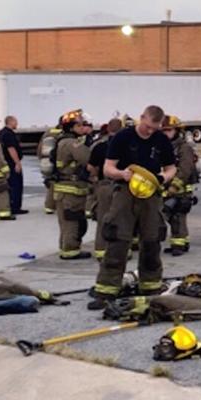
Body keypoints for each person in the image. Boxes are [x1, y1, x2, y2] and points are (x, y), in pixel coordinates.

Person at [90, 106, 176, 307]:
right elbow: (108, 168)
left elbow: (171, 168)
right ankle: (107, 290)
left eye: (154, 128)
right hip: (125, 192)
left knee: (152, 239)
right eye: (147, 126)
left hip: (151, 194)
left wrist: (163, 177)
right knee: (118, 239)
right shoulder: (123, 137)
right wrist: (122, 174)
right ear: (141, 118)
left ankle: (150, 286)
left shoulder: (161, 140)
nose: (150, 131)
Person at [53, 110, 93, 260]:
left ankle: (65, 248)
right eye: (79, 125)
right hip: (71, 189)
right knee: (73, 220)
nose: (82, 128)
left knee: (65, 220)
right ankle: (71, 251)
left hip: (64, 187)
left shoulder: (61, 140)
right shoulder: (71, 143)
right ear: (71, 127)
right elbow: (87, 158)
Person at [161, 115, 199, 256]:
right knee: (170, 217)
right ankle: (177, 243)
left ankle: (180, 245)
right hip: (166, 187)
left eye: (169, 130)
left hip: (181, 189)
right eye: (163, 131)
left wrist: (175, 186)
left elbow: (185, 169)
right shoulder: (163, 146)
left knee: (178, 217)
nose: (166, 133)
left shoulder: (184, 148)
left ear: (177, 130)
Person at [87, 117, 123, 264]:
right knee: (121, 219)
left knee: (103, 218)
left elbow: (90, 168)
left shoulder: (99, 146)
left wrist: (97, 178)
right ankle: (120, 252)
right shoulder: (126, 145)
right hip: (121, 186)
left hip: (103, 186)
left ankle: (101, 251)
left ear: (108, 129)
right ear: (121, 129)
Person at [0, 116, 28, 214]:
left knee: (7, 186)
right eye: (16, 122)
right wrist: (17, 163)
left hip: (4, 163)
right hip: (11, 163)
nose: (17, 124)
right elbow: (11, 149)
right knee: (16, 185)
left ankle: (6, 205)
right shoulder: (8, 134)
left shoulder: (1, 133)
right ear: (11, 122)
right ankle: (15, 207)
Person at [39, 116, 64, 215]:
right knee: (55, 183)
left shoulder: (48, 132)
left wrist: (40, 158)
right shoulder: (62, 133)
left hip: (46, 159)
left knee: (51, 182)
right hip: (56, 159)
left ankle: (50, 206)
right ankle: (50, 206)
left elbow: (41, 146)